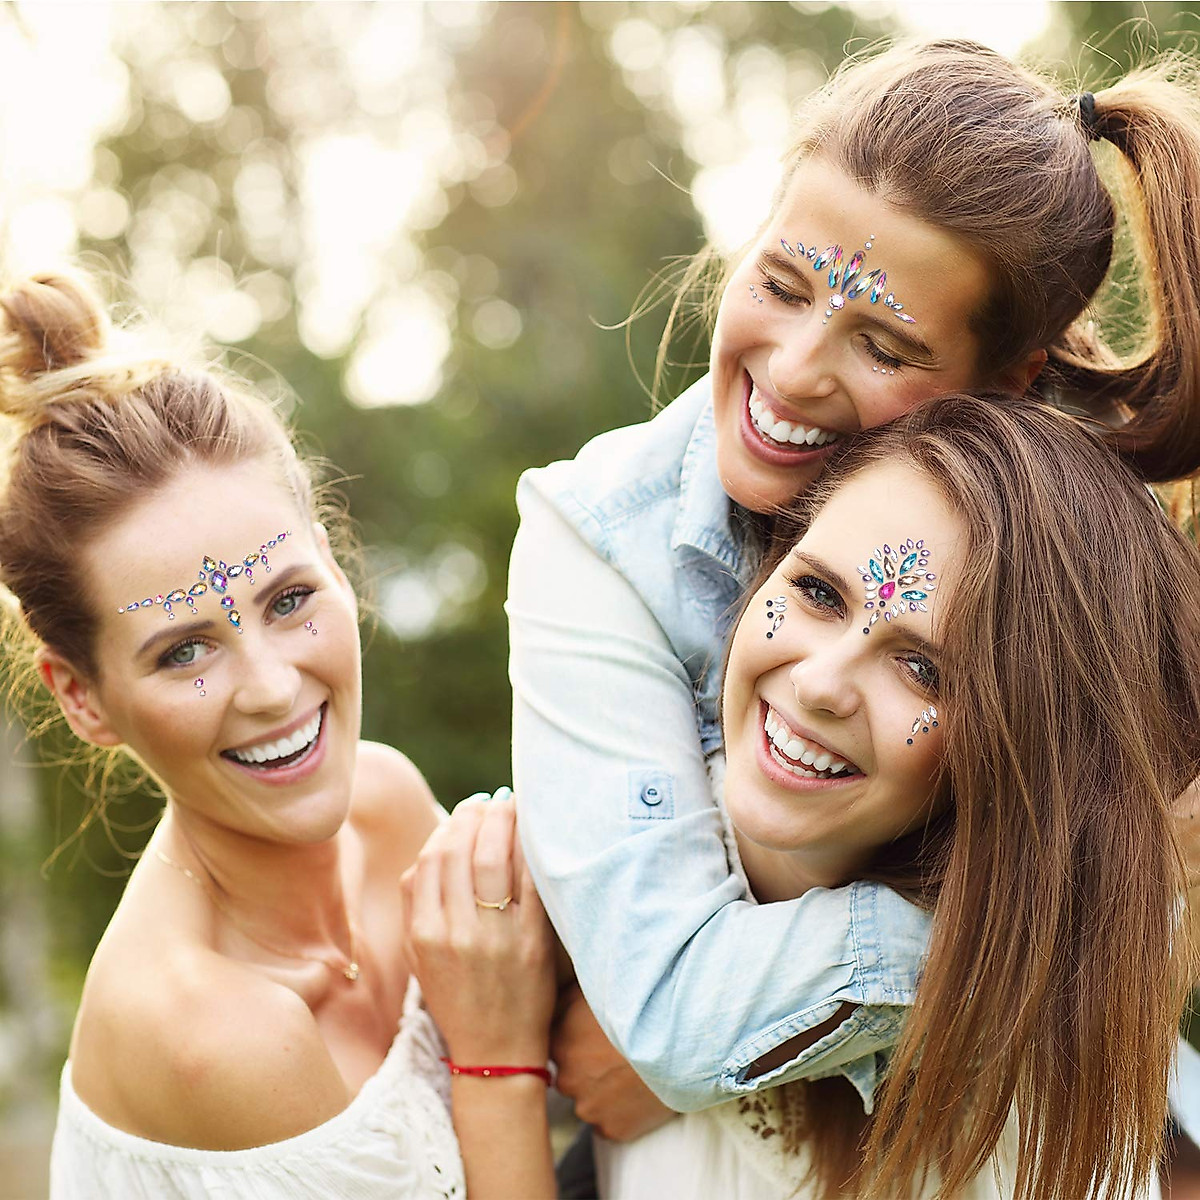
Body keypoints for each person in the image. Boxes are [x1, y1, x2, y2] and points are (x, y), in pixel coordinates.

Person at [510, 37, 1200, 1131]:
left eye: (883, 346)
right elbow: (674, 1012)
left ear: (1009, 384)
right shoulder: (600, 538)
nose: (791, 372)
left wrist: (1080, 916)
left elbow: (1151, 888)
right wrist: (1041, 925)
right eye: (781, 284)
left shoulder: (1078, 565)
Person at [0, 270, 557, 1199]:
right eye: (184, 652)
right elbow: (502, 1051)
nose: (271, 687)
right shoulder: (209, 1035)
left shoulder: (383, 798)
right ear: (83, 697)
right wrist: (501, 1058)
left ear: (332, 564)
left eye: (289, 599)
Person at [596, 393, 1200, 1199]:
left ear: (1023, 754)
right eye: (818, 593)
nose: (820, 684)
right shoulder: (605, 871)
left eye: (922, 669)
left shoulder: (1034, 1109)